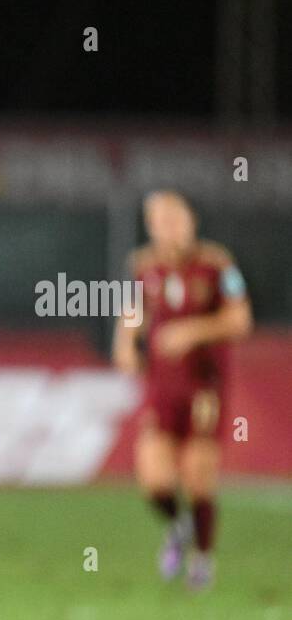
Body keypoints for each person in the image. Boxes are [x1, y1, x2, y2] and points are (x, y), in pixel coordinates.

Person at [113, 190, 251, 590]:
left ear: (191, 221)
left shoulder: (217, 264)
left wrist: (192, 331)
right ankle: (179, 524)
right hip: (162, 386)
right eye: (160, 220)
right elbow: (133, 311)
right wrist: (124, 344)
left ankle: (203, 559)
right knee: (154, 481)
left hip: (205, 389)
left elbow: (240, 320)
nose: (170, 227)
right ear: (151, 227)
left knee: (197, 477)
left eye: (176, 218)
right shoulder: (143, 266)